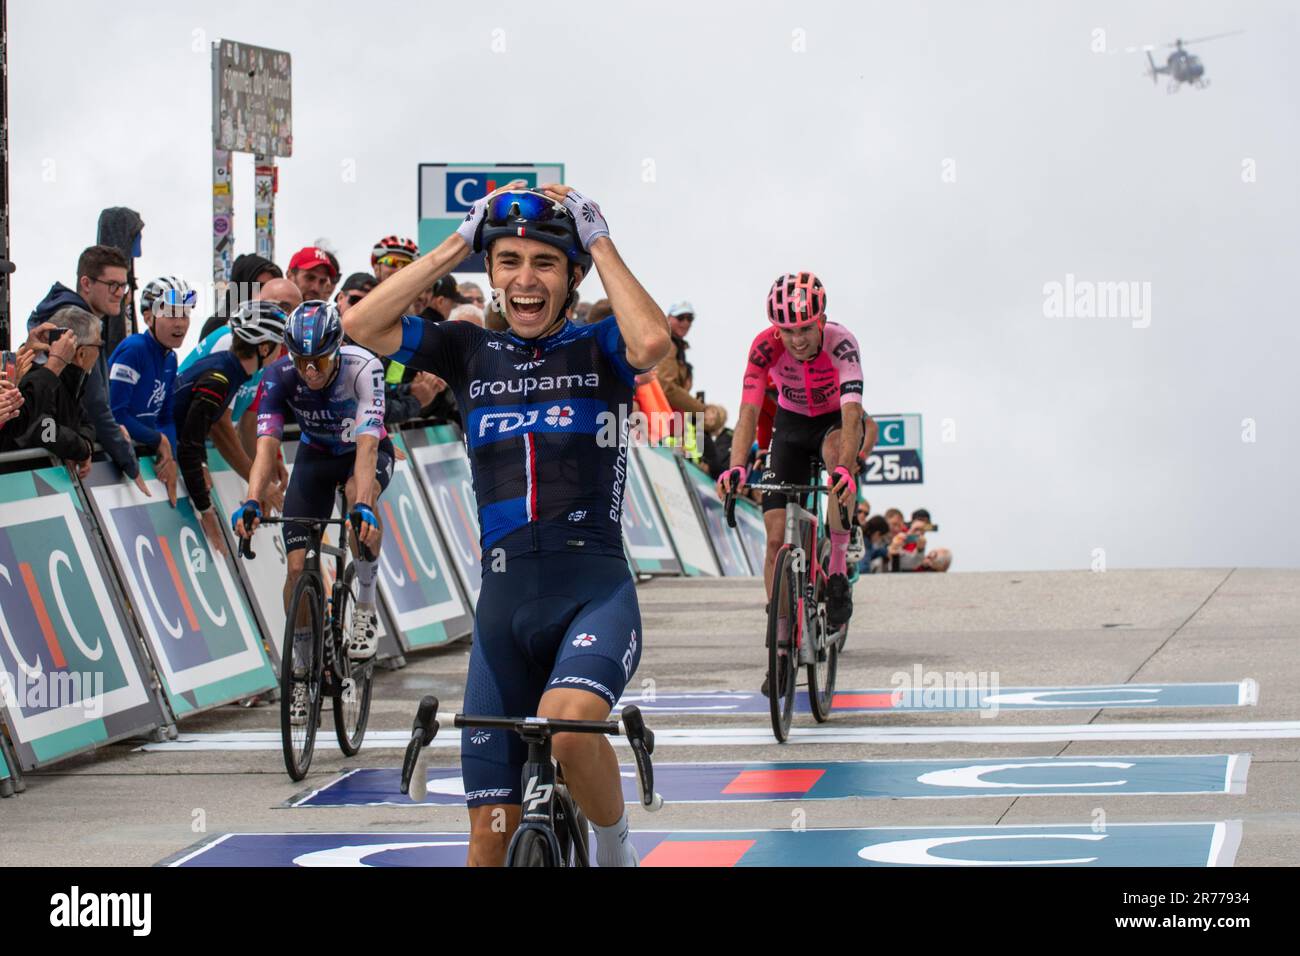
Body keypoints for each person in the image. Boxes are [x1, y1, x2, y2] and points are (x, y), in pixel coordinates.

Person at [342, 182, 671, 868]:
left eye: (545, 263)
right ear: (489, 276)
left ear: (572, 276)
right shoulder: (467, 352)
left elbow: (652, 341)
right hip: (503, 610)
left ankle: (615, 849)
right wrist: (459, 243)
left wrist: (598, 236)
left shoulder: (598, 348)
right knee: (489, 843)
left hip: (595, 591)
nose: (525, 279)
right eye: (509, 261)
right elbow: (361, 327)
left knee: (569, 726)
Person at [715, 272, 877, 693]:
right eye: (787, 330)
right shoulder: (763, 346)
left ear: (820, 320)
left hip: (832, 423)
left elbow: (852, 411)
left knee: (836, 463)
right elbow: (748, 412)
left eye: (805, 328)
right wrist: (735, 467)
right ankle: (781, 640)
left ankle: (838, 572)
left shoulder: (842, 343)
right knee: (774, 540)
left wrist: (845, 468)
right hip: (788, 427)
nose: (797, 339)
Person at [231, 302, 392, 720]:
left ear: (337, 348)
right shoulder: (279, 375)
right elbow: (266, 446)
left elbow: (369, 444)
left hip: (361, 451)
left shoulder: (364, 368)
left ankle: (366, 608)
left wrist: (362, 506)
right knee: (298, 568)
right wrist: (251, 498)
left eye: (319, 360)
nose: (310, 370)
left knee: (362, 502)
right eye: (302, 360)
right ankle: (302, 669)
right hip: (315, 457)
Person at [172, 300, 290, 554]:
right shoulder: (220, 378)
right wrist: (207, 513)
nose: (282, 353)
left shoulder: (231, 368)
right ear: (264, 347)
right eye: (280, 346)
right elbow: (190, 445)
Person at [28, 245, 143, 487]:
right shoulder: (73, 328)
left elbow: (87, 417)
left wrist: (85, 443)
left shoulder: (71, 375)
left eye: (124, 286)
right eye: (113, 285)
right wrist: (83, 448)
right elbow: (42, 426)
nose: (120, 293)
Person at [107, 276, 194, 506]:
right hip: (111, 461)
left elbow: (165, 416)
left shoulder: (171, 358)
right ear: (148, 318)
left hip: (143, 452)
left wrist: (171, 458)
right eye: (172, 314)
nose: (181, 323)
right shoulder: (134, 350)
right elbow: (116, 415)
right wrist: (159, 440)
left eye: (185, 314)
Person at [6, 307, 98, 471]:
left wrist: (86, 444)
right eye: (99, 345)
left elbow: (85, 421)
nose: (99, 353)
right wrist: (80, 449)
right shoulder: (39, 376)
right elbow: (39, 428)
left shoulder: (70, 380)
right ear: (81, 353)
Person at [654, 300, 726, 440]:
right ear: (668, 318)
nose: (686, 322)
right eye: (680, 317)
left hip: (668, 421)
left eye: (689, 319)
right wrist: (701, 409)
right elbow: (666, 387)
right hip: (657, 419)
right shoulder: (667, 344)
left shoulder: (677, 347)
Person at [198, 254, 281, 341]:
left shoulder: (279, 323)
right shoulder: (218, 326)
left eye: (273, 287)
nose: (267, 293)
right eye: (260, 287)